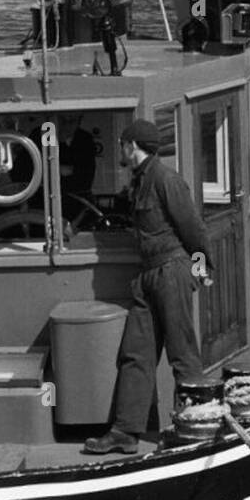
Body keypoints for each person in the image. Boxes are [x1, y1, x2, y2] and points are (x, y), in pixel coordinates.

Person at [83, 119, 213, 455]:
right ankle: (125, 432)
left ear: (131, 146)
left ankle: (193, 426)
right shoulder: (140, 180)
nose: (121, 150)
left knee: (182, 353)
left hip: (171, 271)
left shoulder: (166, 180)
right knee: (136, 354)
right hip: (148, 276)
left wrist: (200, 271)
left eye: (123, 144)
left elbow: (194, 230)